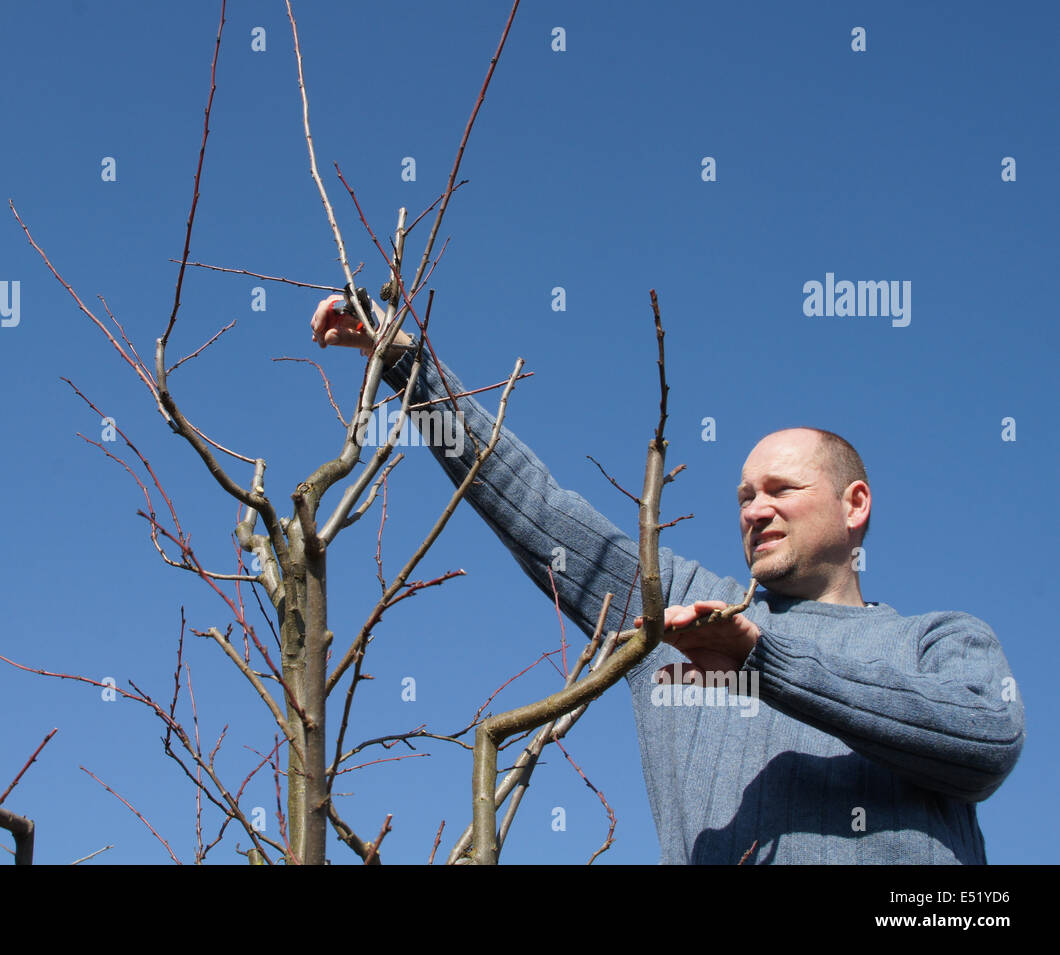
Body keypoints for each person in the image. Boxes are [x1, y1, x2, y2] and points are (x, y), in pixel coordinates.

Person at [310, 296, 1025, 864]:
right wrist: (408, 365)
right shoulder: (677, 615)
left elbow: (986, 741)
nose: (755, 508)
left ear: (854, 504)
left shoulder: (938, 639)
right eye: (744, 495)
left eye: (780, 488)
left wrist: (763, 663)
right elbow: (539, 510)